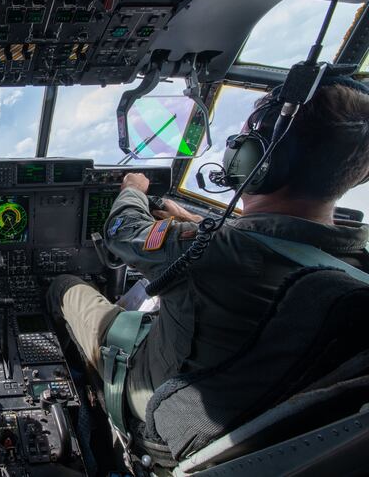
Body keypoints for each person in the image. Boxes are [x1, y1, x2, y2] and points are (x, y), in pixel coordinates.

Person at [49, 79, 369, 423]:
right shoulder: (356, 270)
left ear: (256, 160)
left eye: (241, 141)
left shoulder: (209, 250)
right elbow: (263, 239)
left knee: (64, 286)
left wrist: (132, 190)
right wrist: (193, 220)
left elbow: (120, 231)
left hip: (155, 392)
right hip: (246, 403)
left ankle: (85, 384)